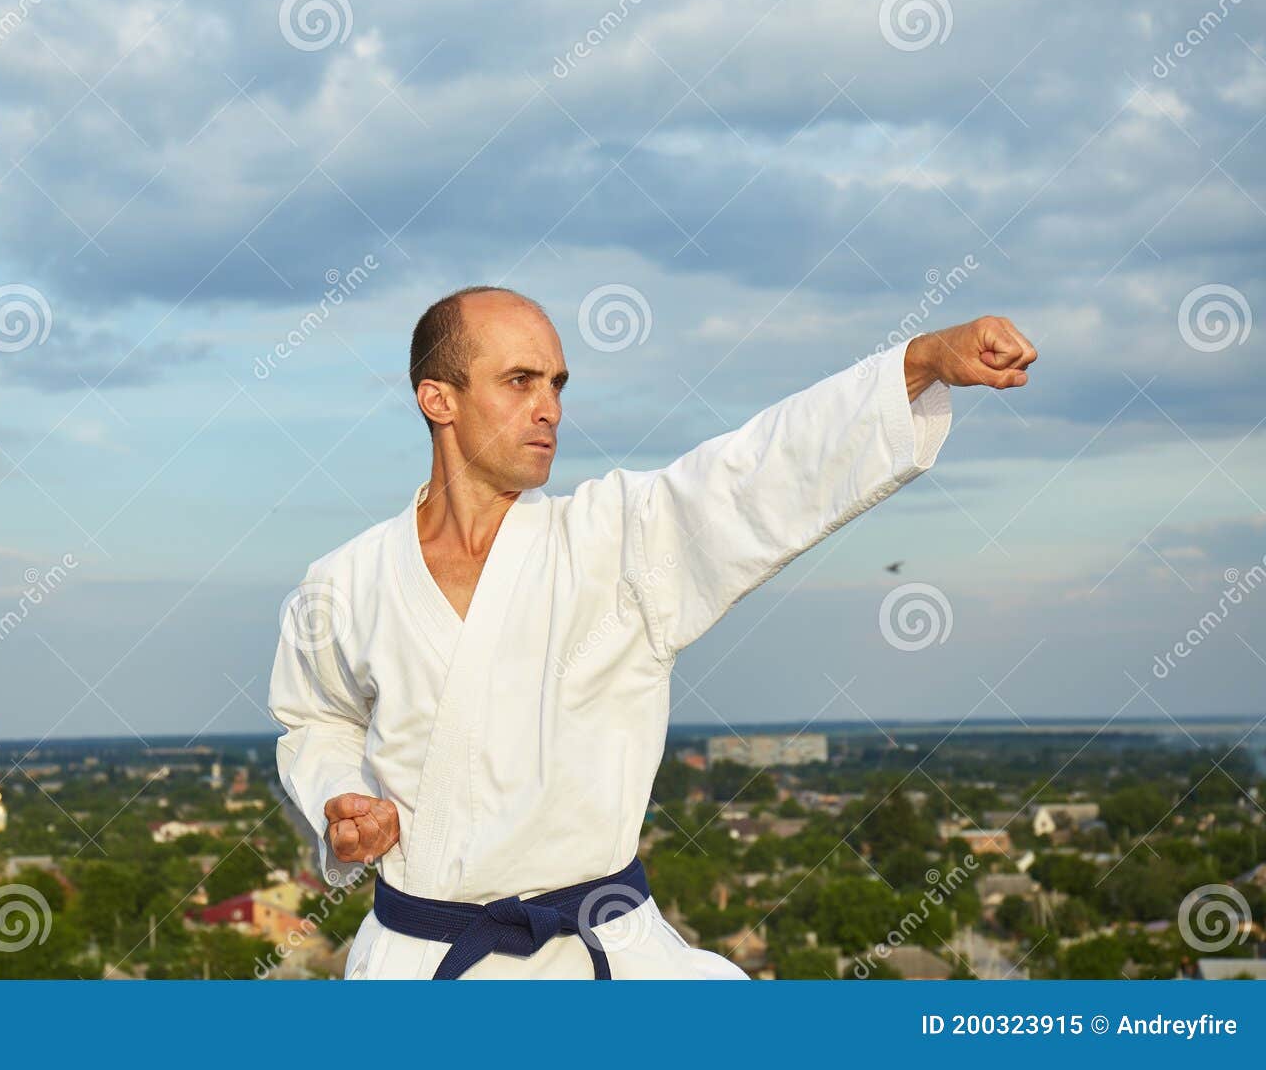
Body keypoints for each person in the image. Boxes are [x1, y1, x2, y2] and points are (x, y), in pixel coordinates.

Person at [267, 286, 1036, 978]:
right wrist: (342, 797)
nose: (551, 408)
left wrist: (921, 363)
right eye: (520, 381)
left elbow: (754, 474)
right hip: (420, 958)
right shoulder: (345, 580)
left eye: (558, 383)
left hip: (597, 951)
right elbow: (316, 717)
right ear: (438, 398)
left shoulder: (618, 540)